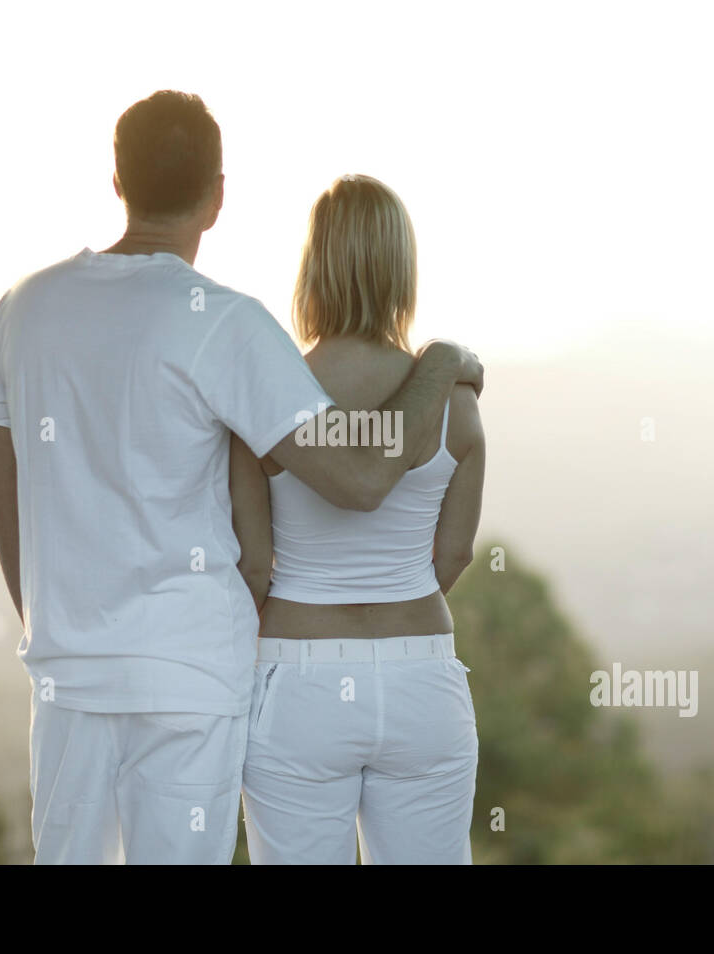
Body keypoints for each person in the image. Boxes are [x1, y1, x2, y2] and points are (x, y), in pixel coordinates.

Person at [0, 91, 482, 864]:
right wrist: (442, 362)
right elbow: (359, 481)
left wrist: (52, 629)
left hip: (69, 681)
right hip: (195, 679)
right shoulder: (226, 323)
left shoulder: (21, 308)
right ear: (217, 195)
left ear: (118, 181)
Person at [232, 174, 484, 864]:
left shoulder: (268, 396)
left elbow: (253, 564)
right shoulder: (457, 403)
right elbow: (454, 556)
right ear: (402, 270)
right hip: (422, 679)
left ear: (314, 267)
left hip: (297, 683)